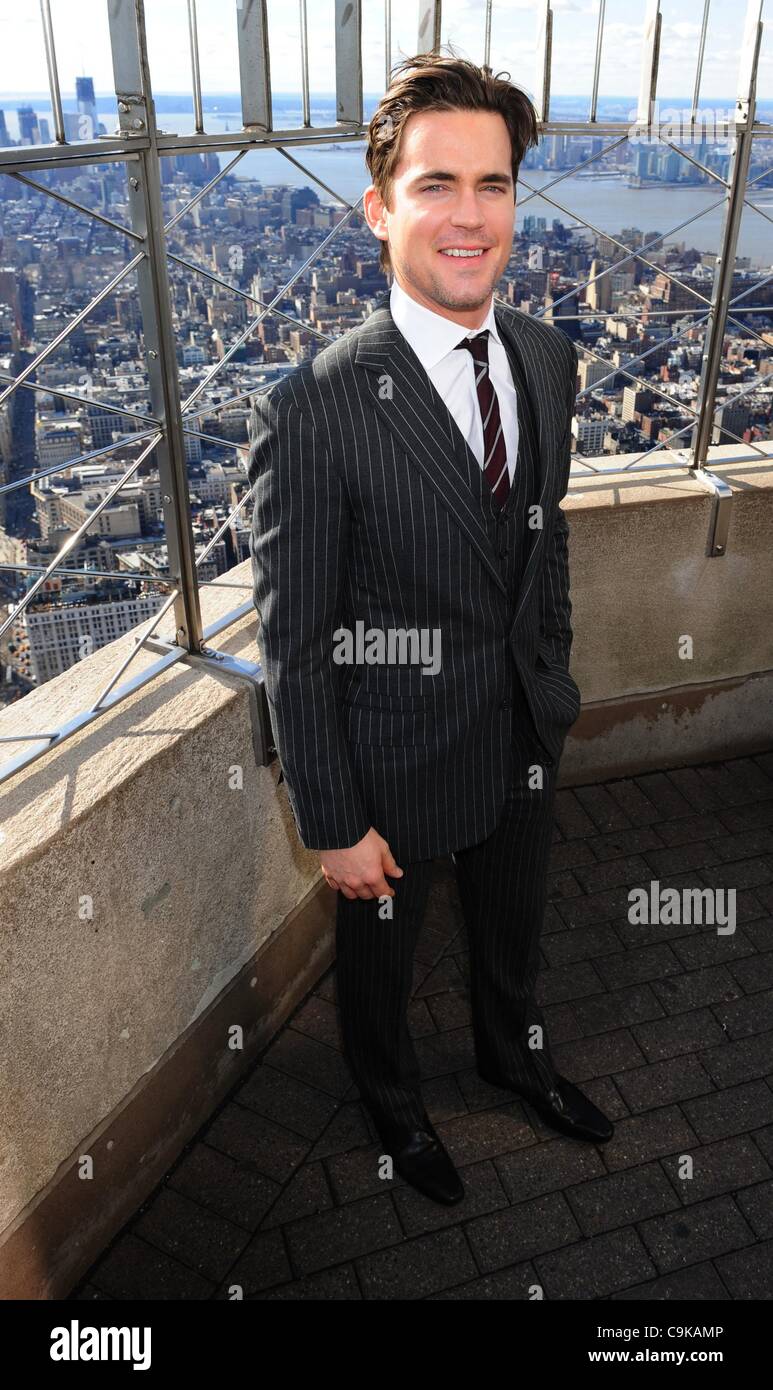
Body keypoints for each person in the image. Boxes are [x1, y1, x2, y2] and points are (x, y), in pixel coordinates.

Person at [248, 49, 613, 1207]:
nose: (469, 215)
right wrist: (332, 817)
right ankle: (394, 1110)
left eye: (493, 184)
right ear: (378, 208)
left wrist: (546, 679)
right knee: (383, 961)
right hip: (391, 764)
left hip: (519, 727)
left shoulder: (547, 359)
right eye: (434, 184)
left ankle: (514, 1059)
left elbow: (541, 542)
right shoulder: (311, 406)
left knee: (513, 927)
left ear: (516, 199)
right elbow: (294, 643)